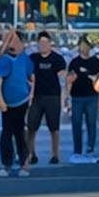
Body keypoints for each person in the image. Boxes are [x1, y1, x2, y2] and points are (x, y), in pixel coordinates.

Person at [0, 30, 34, 176]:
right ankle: (6, 164)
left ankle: (24, 164)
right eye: (11, 41)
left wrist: (31, 93)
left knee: (20, 132)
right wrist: (0, 100)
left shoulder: (25, 59)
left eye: (16, 40)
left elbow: (32, 77)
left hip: (22, 100)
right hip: (7, 102)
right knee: (7, 132)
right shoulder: (4, 60)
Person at [29, 32, 68, 166]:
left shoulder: (57, 59)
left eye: (46, 43)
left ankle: (55, 155)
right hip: (36, 97)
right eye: (41, 43)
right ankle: (31, 154)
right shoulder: (33, 58)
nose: (43, 46)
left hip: (53, 96)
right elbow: (28, 74)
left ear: (50, 44)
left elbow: (63, 74)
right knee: (31, 127)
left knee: (54, 128)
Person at [66, 38, 99, 163]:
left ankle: (90, 148)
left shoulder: (95, 62)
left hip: (92, 96)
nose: (84, 48)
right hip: (77, 97)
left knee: (91, 123)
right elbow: (69, 79)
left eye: (86, 46)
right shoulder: (74, 62)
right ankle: (77, 150)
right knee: (76, 124)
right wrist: (66, 96)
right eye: (81, 46)